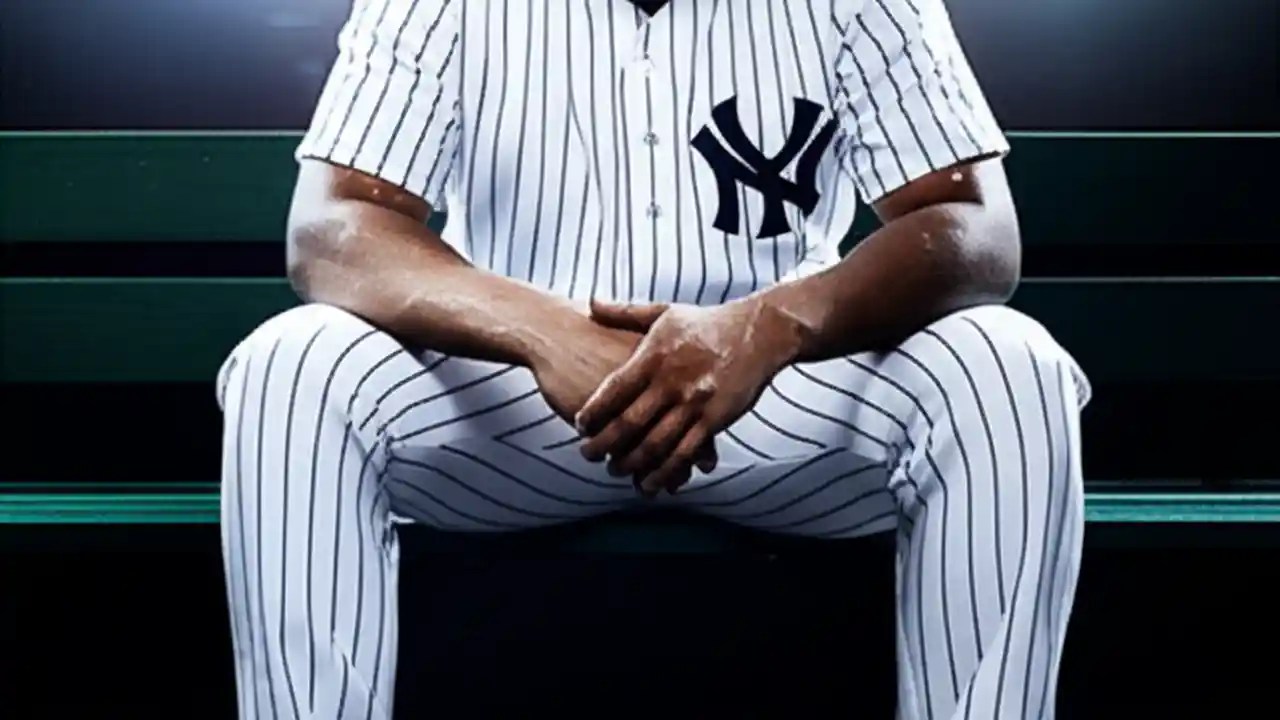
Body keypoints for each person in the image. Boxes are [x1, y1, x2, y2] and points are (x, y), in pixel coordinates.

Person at [216, 0, 1090, 717]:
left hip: (775, 402)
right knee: (291, 367)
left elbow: (975, 229)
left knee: (1008, 367)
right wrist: (541, 328)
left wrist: (768, 327)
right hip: (520, 412)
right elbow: (333, 232)